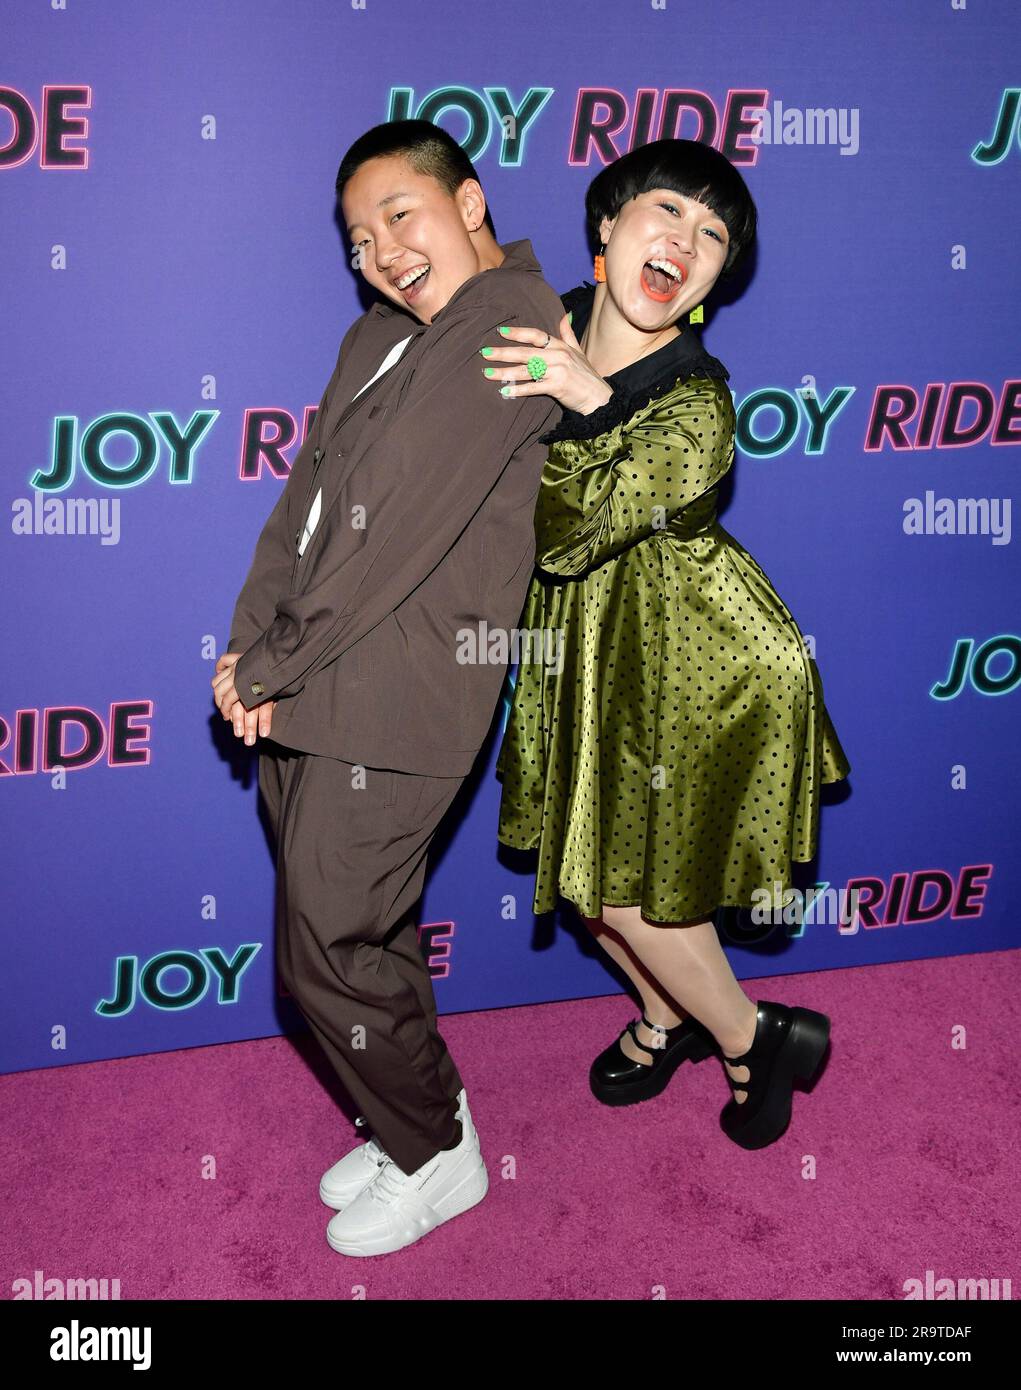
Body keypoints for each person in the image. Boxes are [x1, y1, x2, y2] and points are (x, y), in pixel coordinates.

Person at [211, 119, 565, 1254]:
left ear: (469, 203)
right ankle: (416, 1111)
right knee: (366, 937)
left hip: (405, 694)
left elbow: (390, 539)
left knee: (324, 946)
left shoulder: (509, 325)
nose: (380, 251)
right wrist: (247, 647)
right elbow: (305, 509)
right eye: (358, 238)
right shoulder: (374, 336)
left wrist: (272, 661)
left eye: (399, 216)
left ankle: (438, 1160)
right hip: (315, 672)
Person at [490, 138, 852, 1150]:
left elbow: (565, 531)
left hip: (698, 661)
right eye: (666, 212)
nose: (685, 241)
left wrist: (585, 398)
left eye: (712, 236)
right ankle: (665, 1017)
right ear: (606, 223)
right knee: (586, 878)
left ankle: (752, 1036)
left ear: (713, 280)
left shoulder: (701, 403)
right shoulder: (536, 322)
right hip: (588, 650)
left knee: (626, 888)